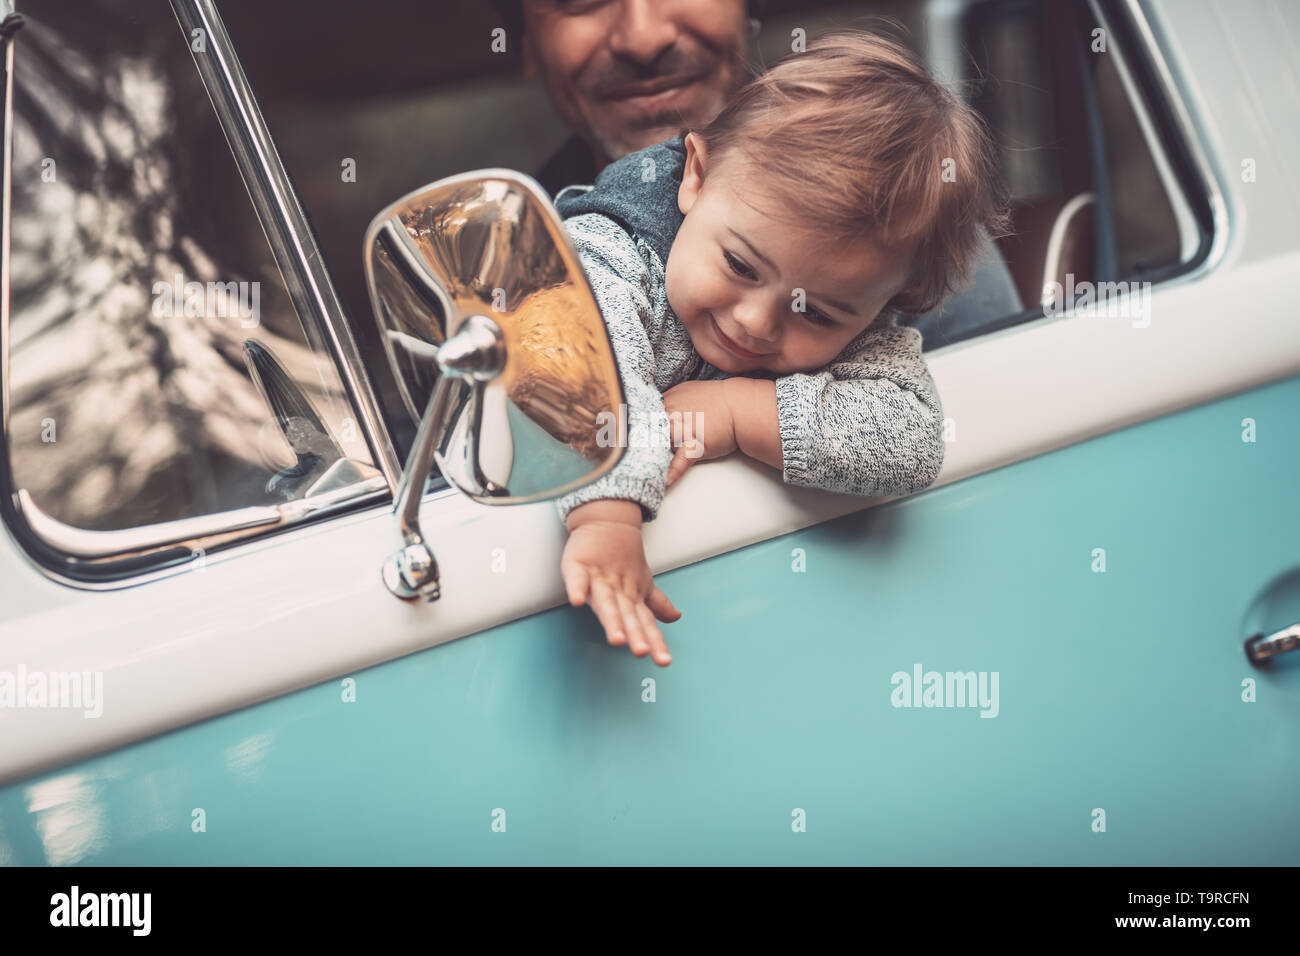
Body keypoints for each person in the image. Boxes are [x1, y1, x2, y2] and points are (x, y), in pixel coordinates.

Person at [549, 32, 1011, 667]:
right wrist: (605, 516)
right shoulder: (612, 251)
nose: (757, 323)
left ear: (888, 302)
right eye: (740, 264)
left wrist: (736, 413)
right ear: (697, 176)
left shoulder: (864, 332)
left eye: (816, 312)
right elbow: (578, 358)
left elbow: (909, 439)